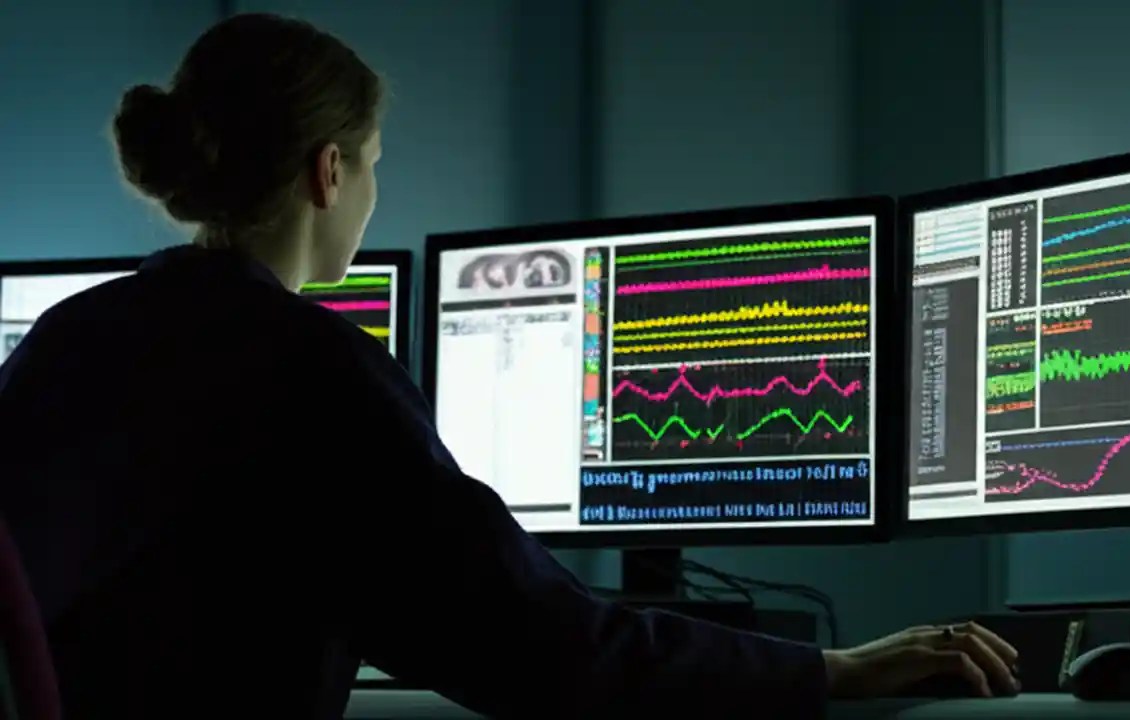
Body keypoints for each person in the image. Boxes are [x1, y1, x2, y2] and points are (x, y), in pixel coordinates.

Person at [0, 13, 1019, 720]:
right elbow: (536, 649)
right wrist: (829, 671)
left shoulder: (66, 338)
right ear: (330, 169)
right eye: (375, 160)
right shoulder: (310, 372)